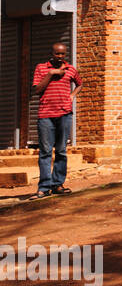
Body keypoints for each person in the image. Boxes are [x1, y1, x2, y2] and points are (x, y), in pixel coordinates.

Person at [31, 42, 82, 198]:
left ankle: (58, 184)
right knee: (45, 152)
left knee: (61, 151)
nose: (60, 57)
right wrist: (51, 74)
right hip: (45, 115)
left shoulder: (71, 69)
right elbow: (37, 89)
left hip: (64, 114)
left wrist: (71, 96)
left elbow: (79, 84)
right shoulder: (41, 68)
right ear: (51, 53)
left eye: (62, 54)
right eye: (57, 54)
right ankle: (44, 187)